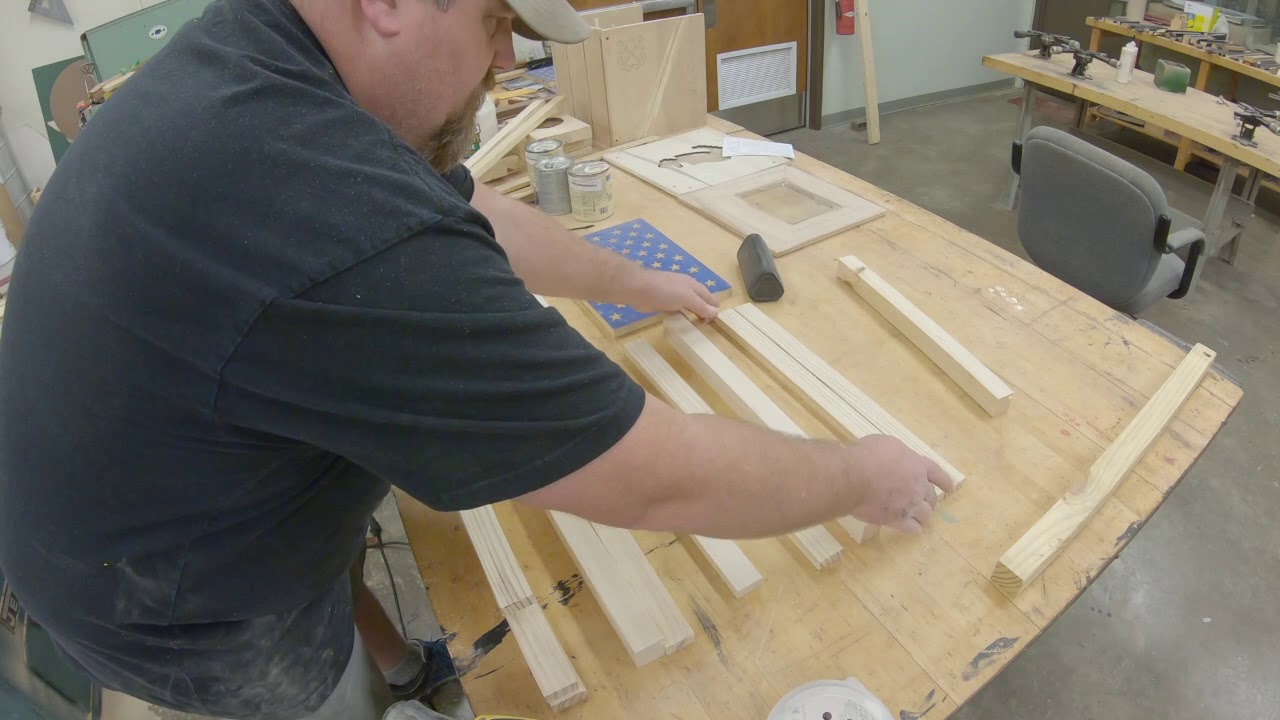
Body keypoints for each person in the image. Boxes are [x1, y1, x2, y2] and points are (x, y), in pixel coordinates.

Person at [0, 0, 955, 718]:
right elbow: (652, 480)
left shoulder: (269, 54)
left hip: (162, 481)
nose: (510, 56)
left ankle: (408, 671)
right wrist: (858, 473)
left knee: (329, 571)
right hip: (172, 606)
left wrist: (631, 276)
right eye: (498, 16)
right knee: (303, 684)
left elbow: (465, 210)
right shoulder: (320, 206)